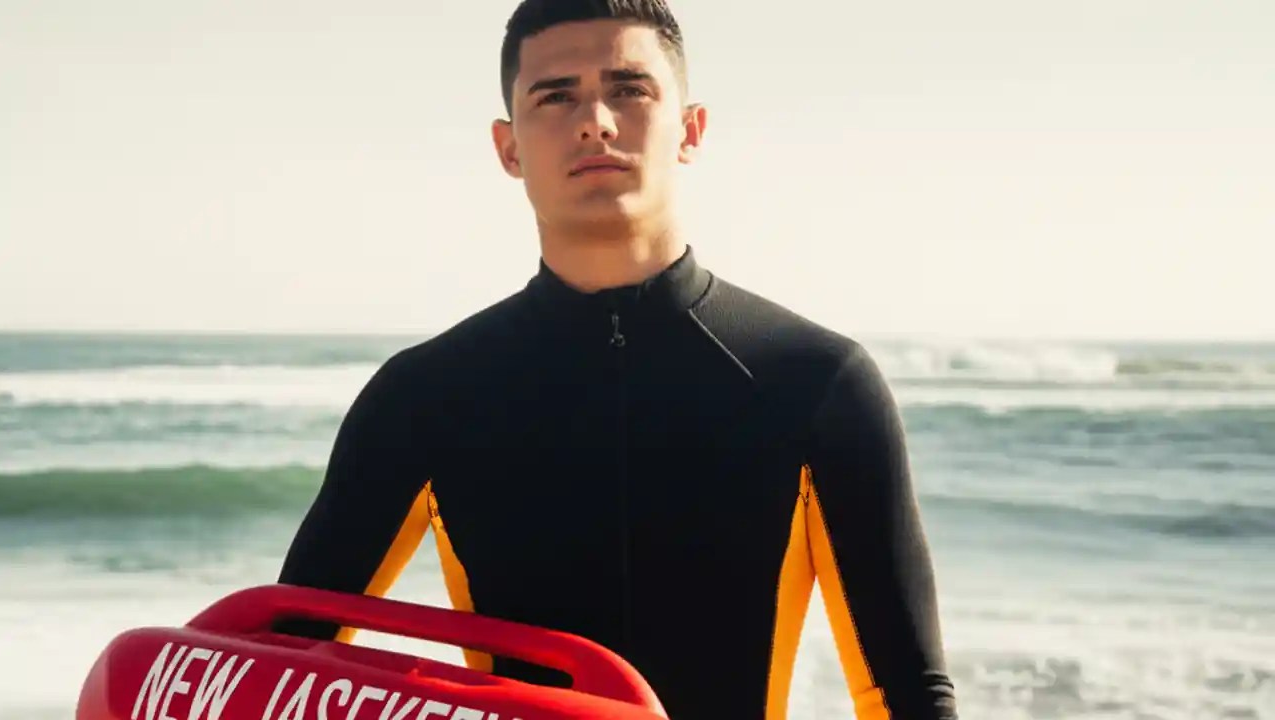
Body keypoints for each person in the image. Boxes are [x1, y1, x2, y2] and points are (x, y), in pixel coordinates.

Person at [276, 1, 959, 718]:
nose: (595, 120)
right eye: (556, 94)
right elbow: (278, 661)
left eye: (629, 90)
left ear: (690, 131)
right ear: (509, 149)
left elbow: (908, 693)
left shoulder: (817, 382)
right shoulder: (423, 397)